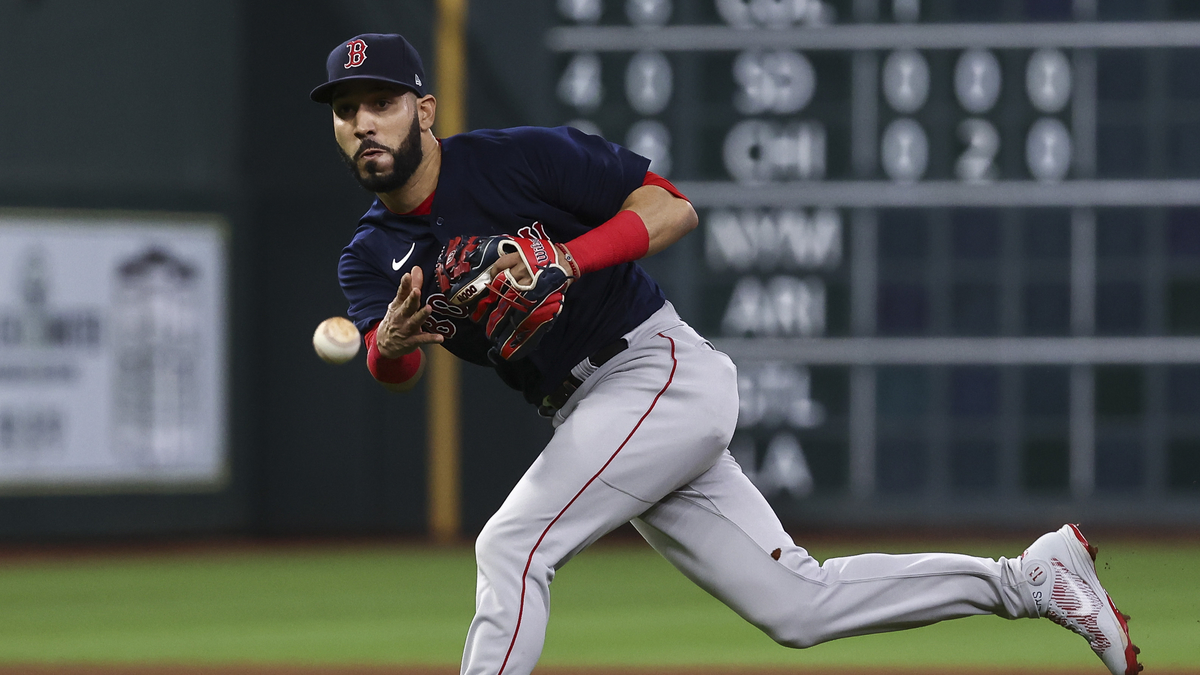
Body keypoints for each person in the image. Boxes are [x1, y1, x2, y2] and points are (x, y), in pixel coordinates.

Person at [311, 33, 1141, 675]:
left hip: (653, 368)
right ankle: (1029, 579)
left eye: (381, 101)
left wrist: (571, 257)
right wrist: (391, 346)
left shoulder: (513, 158)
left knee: (511, 545)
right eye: (347, 111)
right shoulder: (369, 255)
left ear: (424, 109)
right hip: (591, 410)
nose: (364, 123)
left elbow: (671, 207)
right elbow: (394, 367)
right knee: (799, 606)